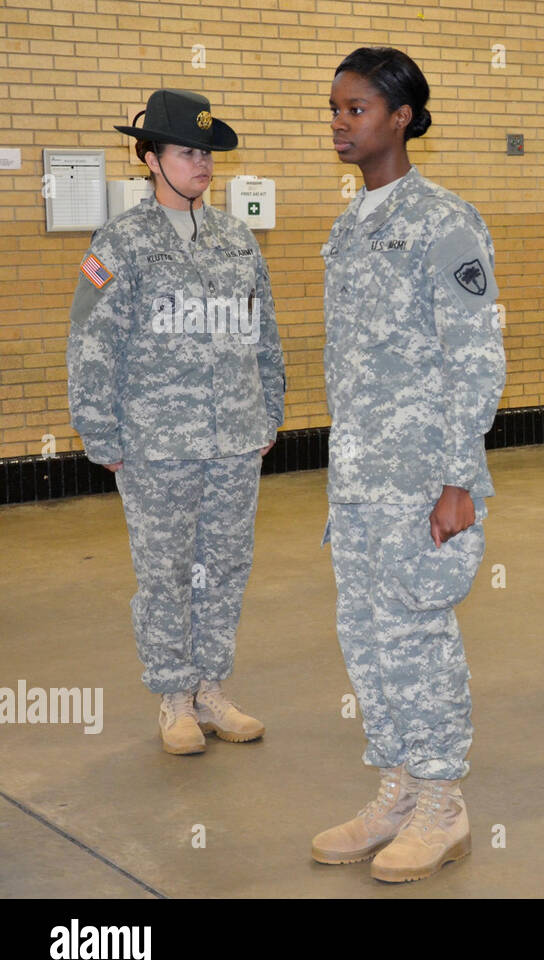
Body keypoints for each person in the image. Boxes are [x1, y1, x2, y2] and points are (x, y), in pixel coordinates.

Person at [308, 47, 505, 883]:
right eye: (335, 109)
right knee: (369, 639)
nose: (341, 123)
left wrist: (460, 477)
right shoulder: (351, 223)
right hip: (358, 482)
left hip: (425, 478)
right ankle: (395, 786)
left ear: (402, 117)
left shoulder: (444, 222)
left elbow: (477, 357)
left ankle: (441, 803)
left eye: (357, 109)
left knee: (420, 636)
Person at [66, 89, 284, 756]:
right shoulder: (122, 242)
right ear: (150, 159)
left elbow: (264, 333)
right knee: (165, 568)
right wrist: (98, 431)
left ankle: (211, 688)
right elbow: (90, 341)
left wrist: (269, 411)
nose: (203, 164)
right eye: (188, 152)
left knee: (223, 565)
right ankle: (172, 696)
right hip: (157, 443)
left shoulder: (235, 238)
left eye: (208, 152)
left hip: (235, 439)